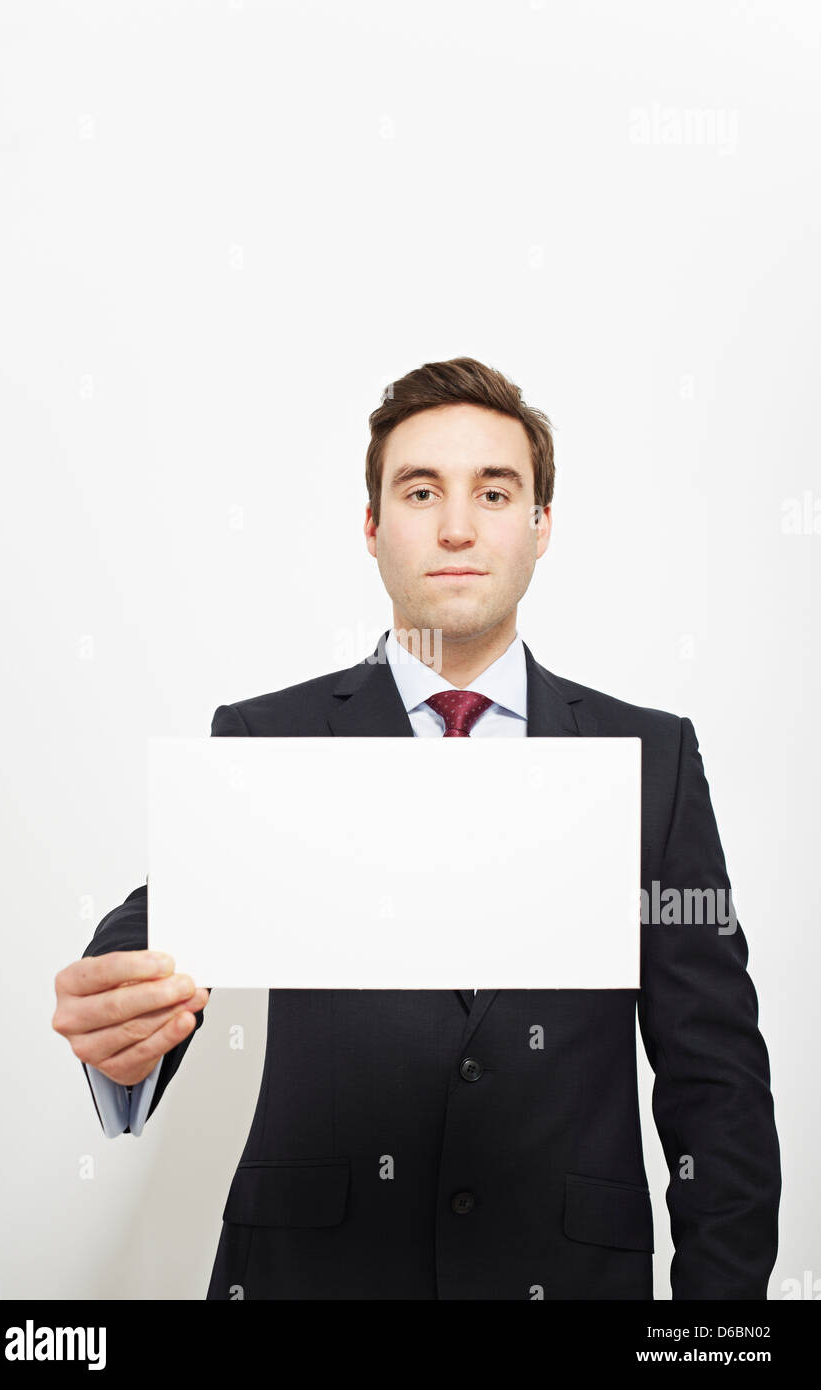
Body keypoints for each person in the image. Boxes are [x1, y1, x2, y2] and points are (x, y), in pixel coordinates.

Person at [52, 356, 780, 1300]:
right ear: (371, 525)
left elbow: (714, 1080)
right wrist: (122, 1007)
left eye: (494, 490)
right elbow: (169, 918)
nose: (456, 526)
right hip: (316, 1275)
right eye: (421, 489)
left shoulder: (652, 758)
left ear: (541, 525)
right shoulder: (274, 738)